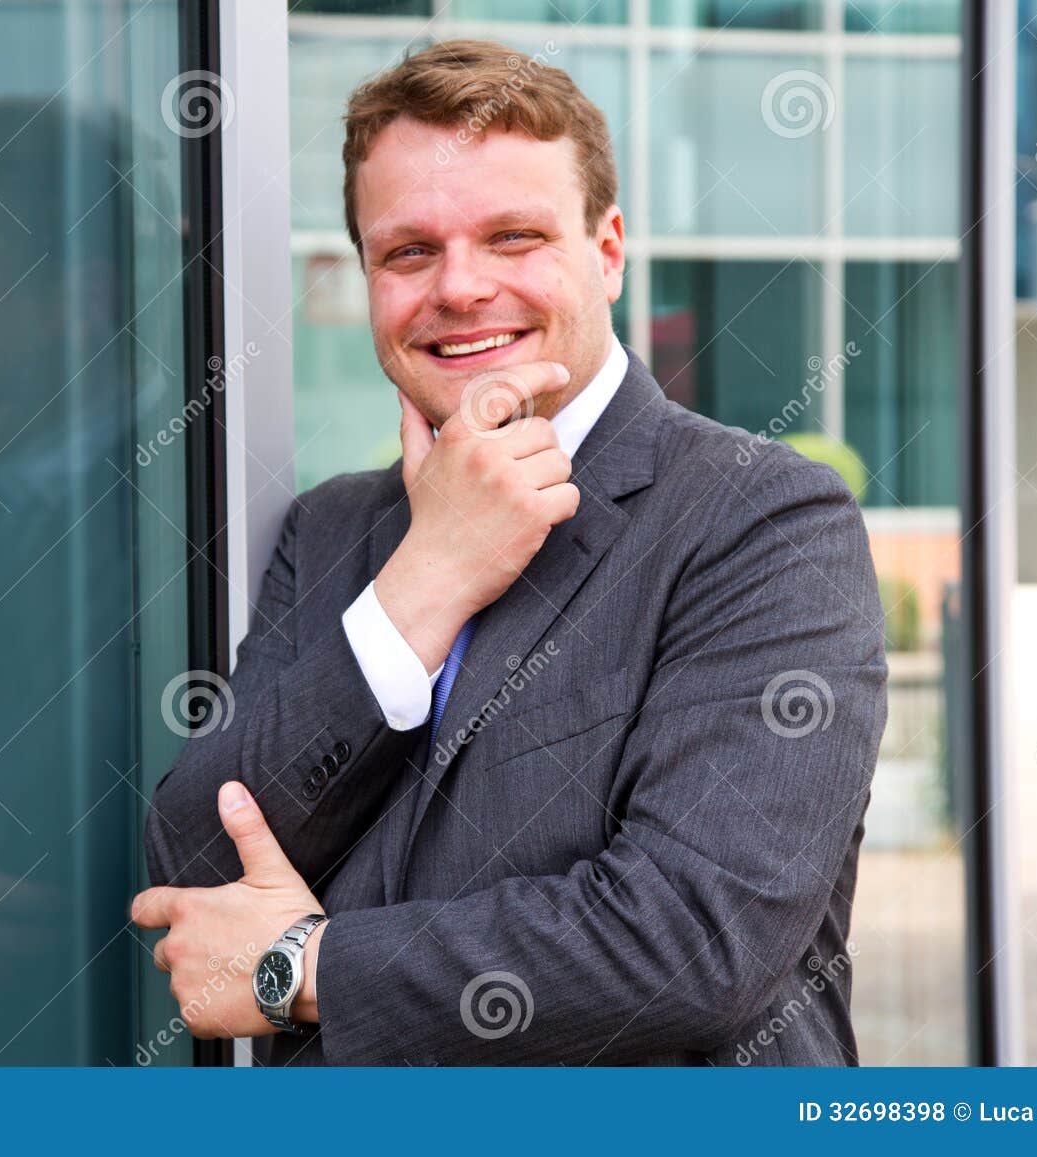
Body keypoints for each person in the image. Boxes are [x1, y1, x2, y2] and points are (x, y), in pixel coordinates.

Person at [131, 38, 886, 1066]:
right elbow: (197, 865)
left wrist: (303, 966)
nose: (459, 287)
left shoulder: (761, 518)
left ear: (607, 250)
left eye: (512, 236)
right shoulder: (332, 531)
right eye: (408, 252)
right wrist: (426, 575)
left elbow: (693, 941)